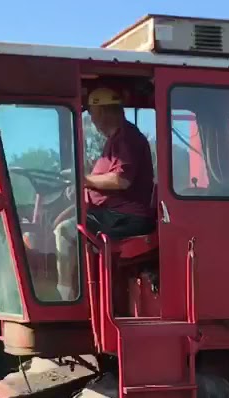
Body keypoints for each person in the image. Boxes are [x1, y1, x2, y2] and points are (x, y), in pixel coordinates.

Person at [52, 87, 155, 297]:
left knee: (64, 232)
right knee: (64, 224)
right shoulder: (116, 140)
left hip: (125, 218)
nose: (92, 119)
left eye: (91, 112)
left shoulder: (127, 139)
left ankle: (66, 299)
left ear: (102, 111)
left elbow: (121, 180)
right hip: (111, 214)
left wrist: (83, 180)